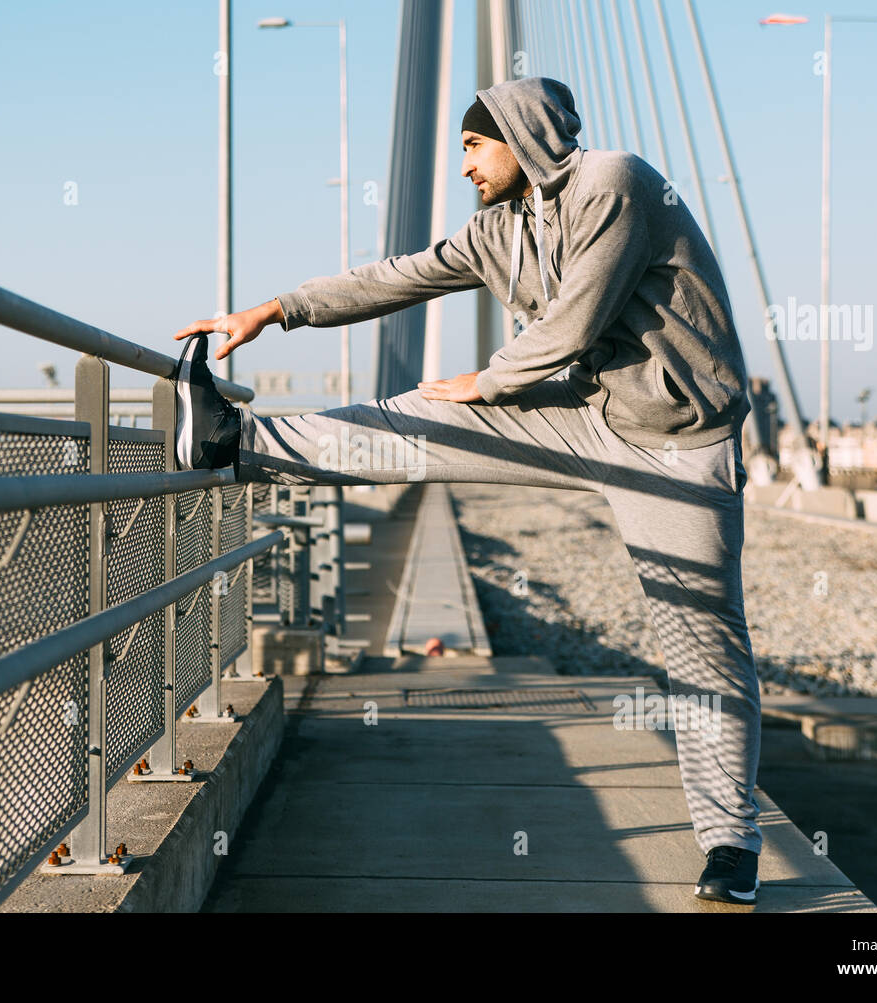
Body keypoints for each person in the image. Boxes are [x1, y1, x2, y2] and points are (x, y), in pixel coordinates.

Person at [171, 76, 763, 906]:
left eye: (475, 147)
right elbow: (395, 277)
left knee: (702, 640)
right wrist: (273, 311)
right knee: (416, 420)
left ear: (521, 135)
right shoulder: (497, 230)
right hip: (589, 413)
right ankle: (235, 442)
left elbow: (576, 320)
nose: (464, 167)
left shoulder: (615, 184)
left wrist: (489, 381)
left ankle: (730, 843)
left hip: (681, 443)